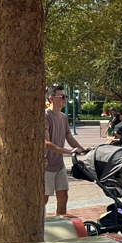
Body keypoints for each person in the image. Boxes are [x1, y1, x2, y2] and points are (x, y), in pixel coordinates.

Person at [43, 86, 86, 214]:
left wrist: (82, 150)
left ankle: (60, 224)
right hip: (45, 166)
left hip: (59, 165)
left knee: (63, 197)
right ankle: (38, 227)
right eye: (62, 96)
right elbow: (46, 143)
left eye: (65, 96)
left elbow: (68, 136)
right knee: (43, 199)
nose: (65, 99)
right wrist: (68, 152)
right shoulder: (45, 116)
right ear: (51, 99)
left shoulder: (63, 117)